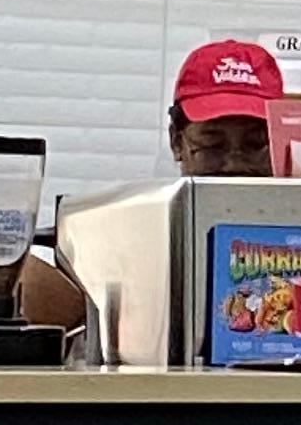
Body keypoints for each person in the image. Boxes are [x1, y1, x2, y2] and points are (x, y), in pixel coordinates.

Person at [22, 41, 283, 329]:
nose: (234, 164)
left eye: (256, 144)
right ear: (176, 141)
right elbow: (32, 280)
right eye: (212, 144)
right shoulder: (137, 229)